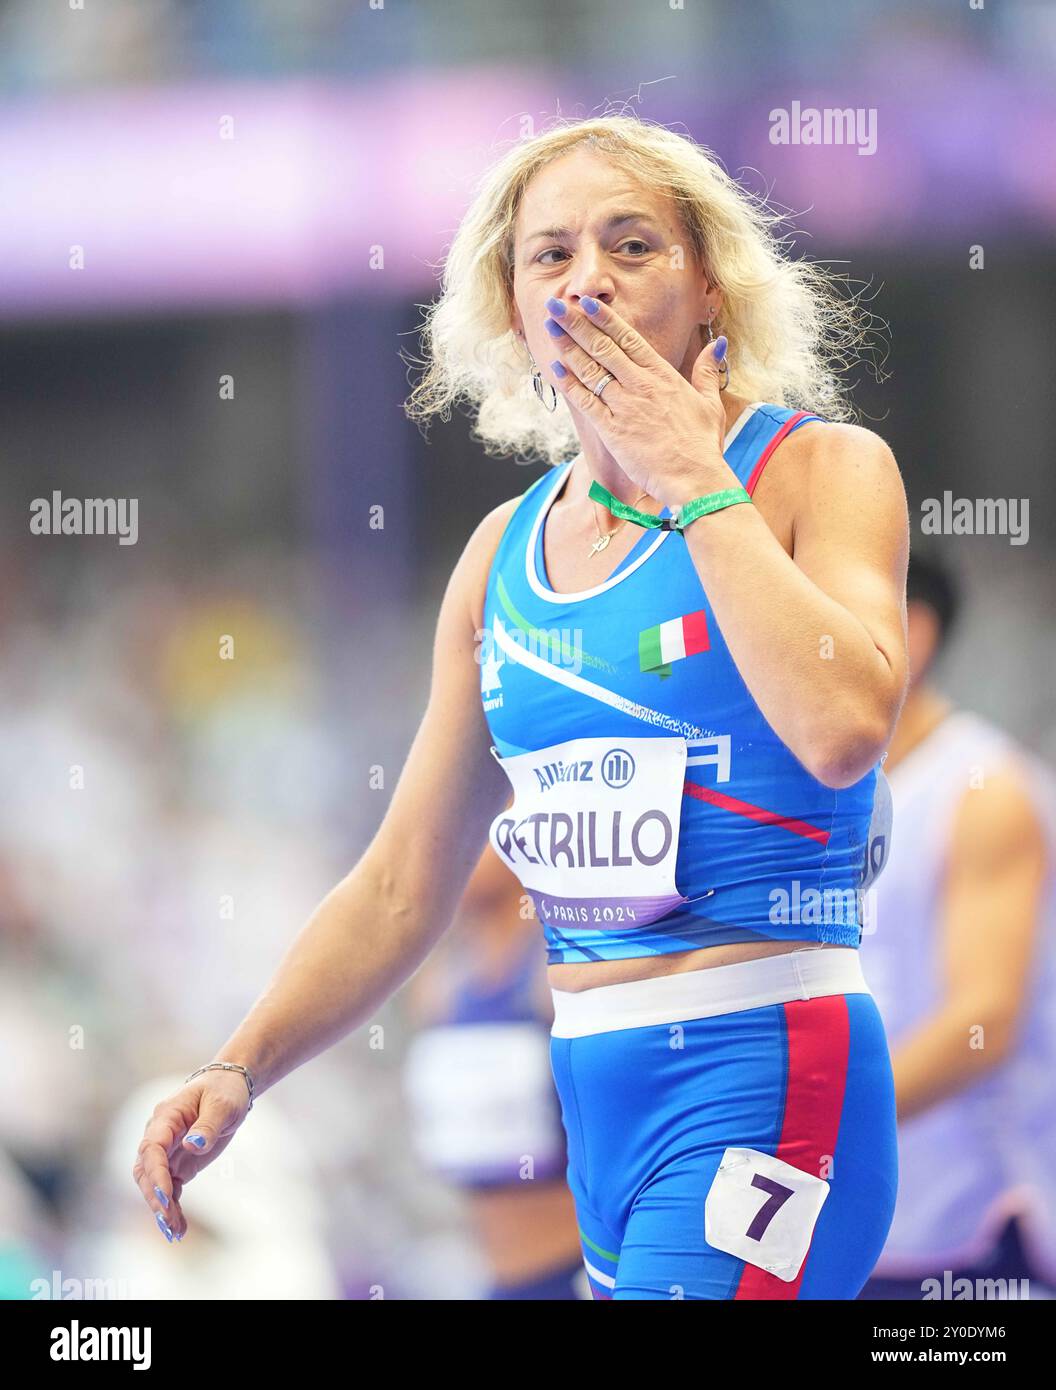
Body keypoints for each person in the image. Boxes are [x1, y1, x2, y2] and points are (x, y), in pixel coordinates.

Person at [133, 113, 909, 1300]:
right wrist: (241, 1066)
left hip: (767, 1067)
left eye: (632, 243)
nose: (589, 277)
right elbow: (403, 882)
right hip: (597, 1110)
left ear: (710, 282)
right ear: (511, 306)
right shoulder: (503, 556)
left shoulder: (822, 470)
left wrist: (695, 478)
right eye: (551, 255)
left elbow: (846, 727)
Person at [857, 552, 1056, 1299]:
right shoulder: (814, 796)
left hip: (970, 1233)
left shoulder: (982, 791)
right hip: (851, 1225)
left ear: (912, 633)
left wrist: (815, 1129)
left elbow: (983, 1022)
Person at [402, 840, 584, 1299]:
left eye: (475, 825)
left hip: (575, 1268)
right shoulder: (439, 983)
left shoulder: (564, 968)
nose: (448, 846)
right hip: (497, 1275)